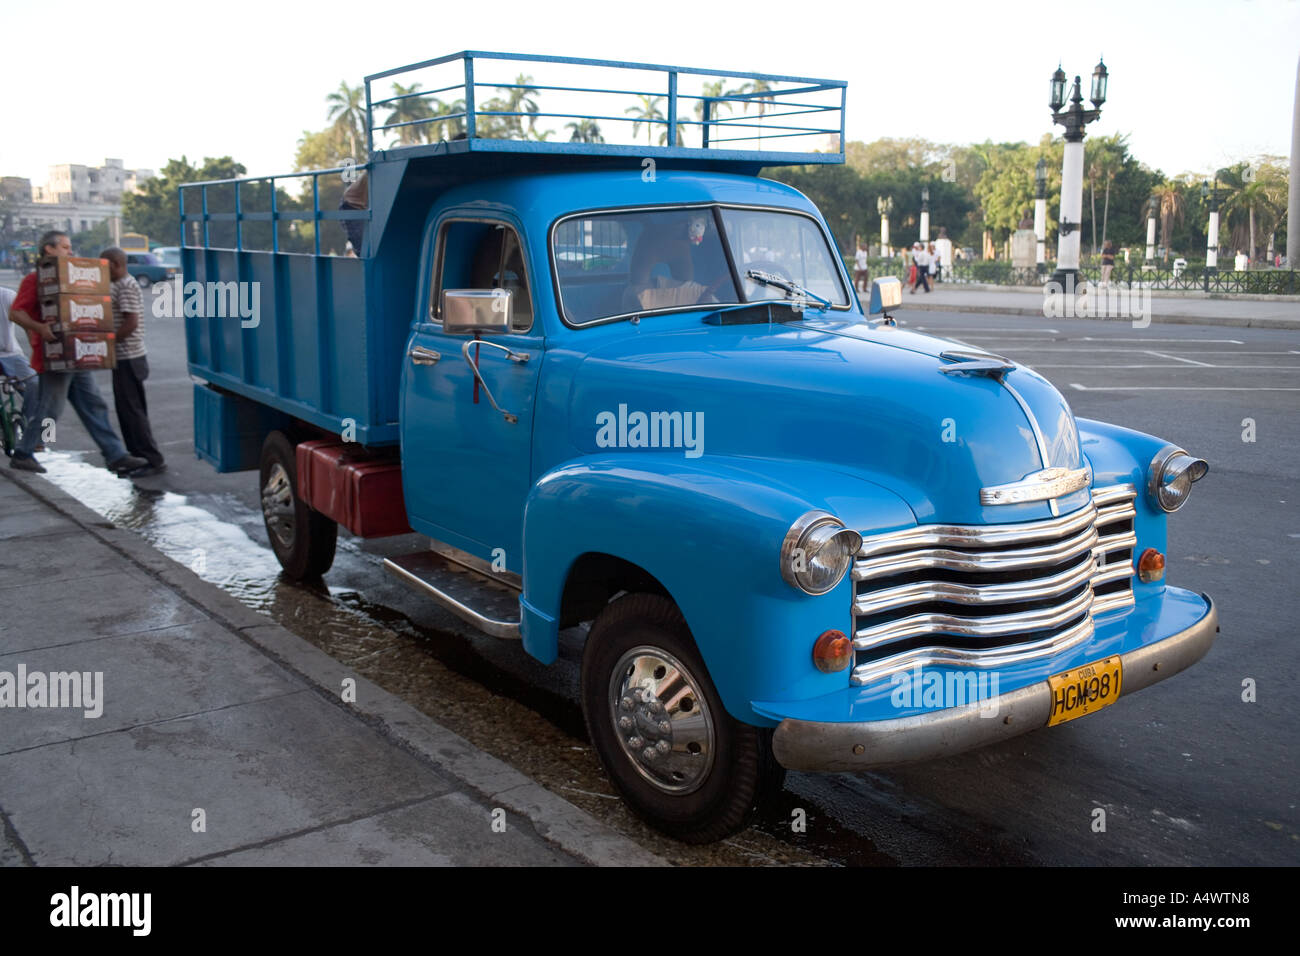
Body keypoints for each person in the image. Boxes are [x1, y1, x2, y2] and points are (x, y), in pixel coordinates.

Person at [8, 230, 147, 475]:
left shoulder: (70, 279)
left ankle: (115, 455)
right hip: (54, 356)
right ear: (49, 249)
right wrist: (40, 328)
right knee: (50, 409)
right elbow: (16, 314)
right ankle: (24, 452)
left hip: (76, 354)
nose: (70, 252)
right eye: (64, 247)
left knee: (93, 404)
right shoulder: (35, 279)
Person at [101, 247, 164, 475]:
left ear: (117, 264)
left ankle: (151, 459)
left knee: (133, 411)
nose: (102, 270)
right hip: (122, 357)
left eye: (105, 265)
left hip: (130, 355)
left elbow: (131, 323)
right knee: (125, 410)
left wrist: (108, 342)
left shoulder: (126, 285)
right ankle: (136, 457)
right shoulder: (116, 284)